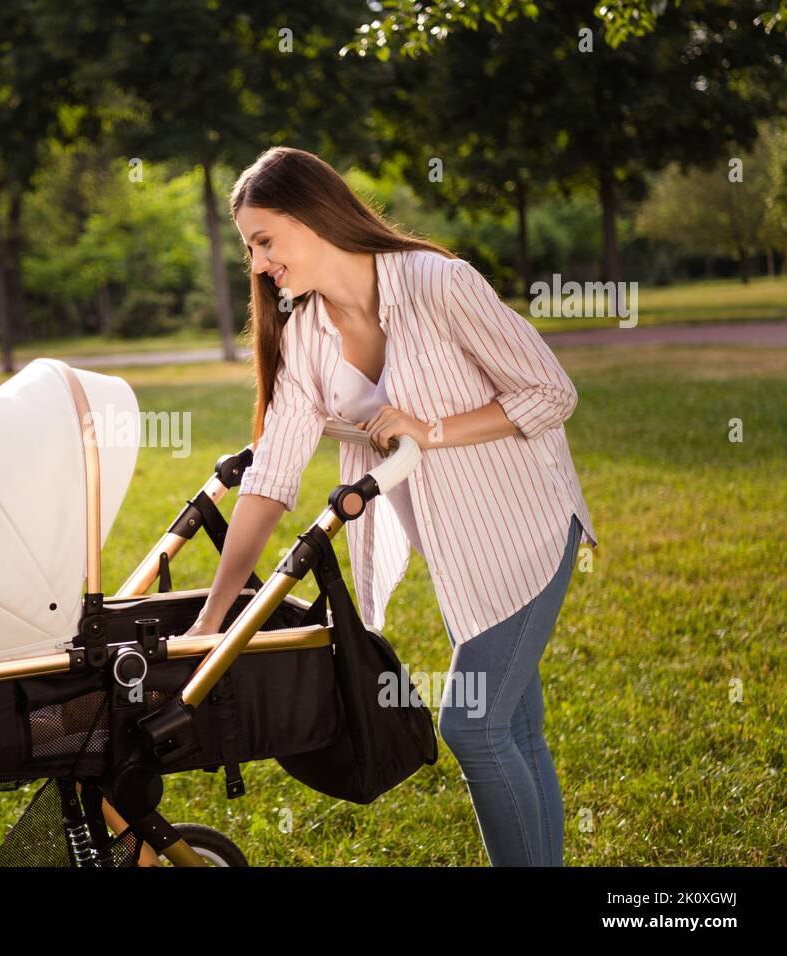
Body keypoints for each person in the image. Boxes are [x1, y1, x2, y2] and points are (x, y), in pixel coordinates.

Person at [179, 146, 598, 866]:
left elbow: (552, 393)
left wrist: (428, 430)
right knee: (519, 732)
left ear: (311, 217)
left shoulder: (438, 283)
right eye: (250, 247)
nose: (257, 263)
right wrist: (214, 620)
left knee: (472, 725)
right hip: (458, 554)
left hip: (527, 527)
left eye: (264, 241)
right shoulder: (306, 336)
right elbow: (271, 481)